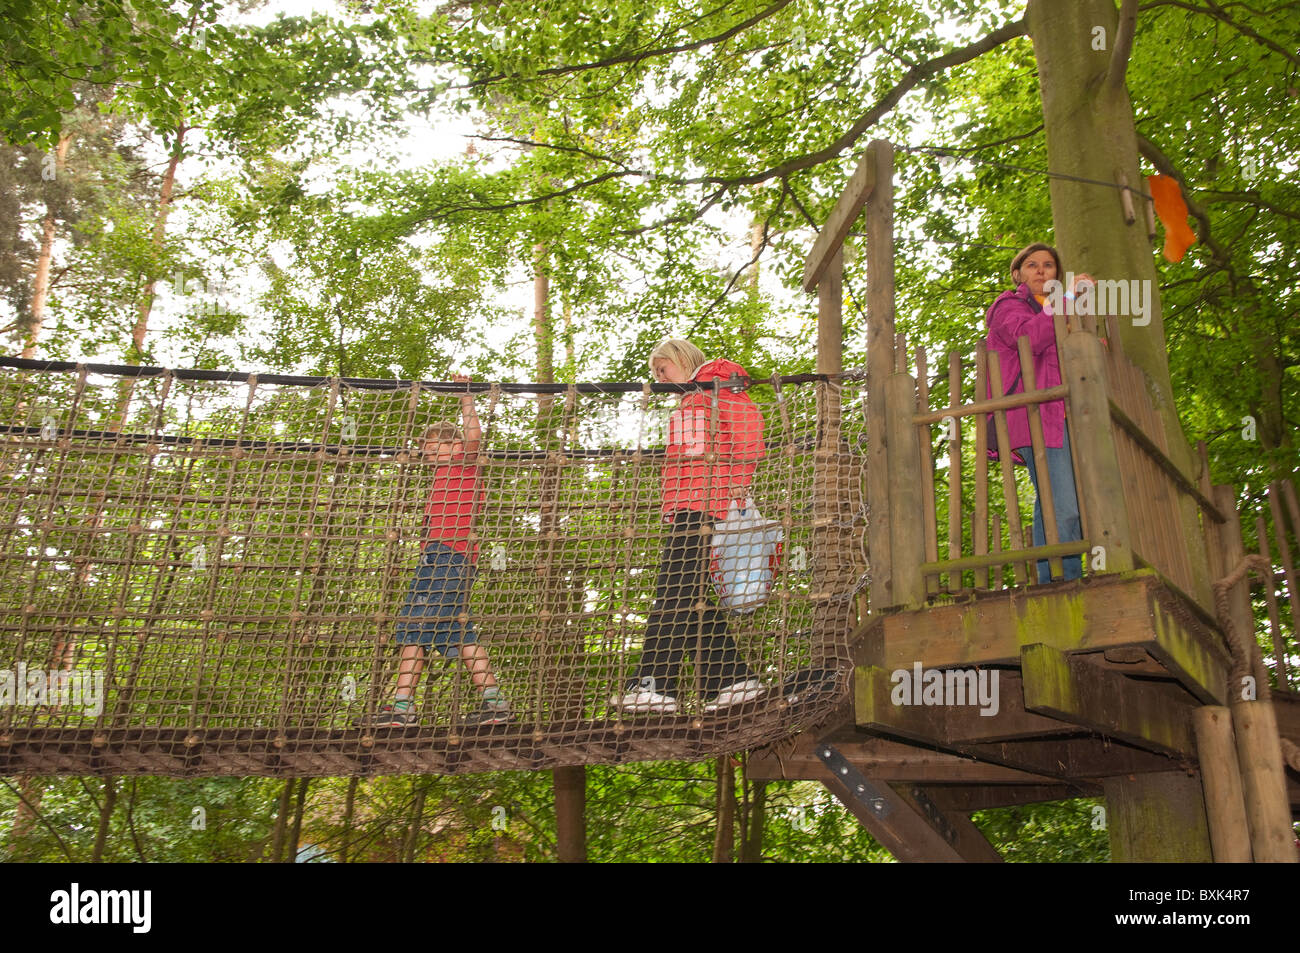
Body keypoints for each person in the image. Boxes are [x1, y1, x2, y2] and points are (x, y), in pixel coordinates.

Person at [610, 339, 767, 714]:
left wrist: (738, 483)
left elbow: (749, 432)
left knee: (672, 594)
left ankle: (654, 685)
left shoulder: (716, 384)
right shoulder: (689, 401)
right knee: (693, 599)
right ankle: (734, 681)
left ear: (682, 359)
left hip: (705, 505)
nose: (659, 378)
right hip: (687, 507)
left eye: (662, 369)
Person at [361, 374, 509, 727]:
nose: (428, 454)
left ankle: (401, 707)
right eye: (425, 450)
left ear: (455, 448)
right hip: (446, 560)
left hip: (445, 560)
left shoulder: (463, 467)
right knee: (458, 634)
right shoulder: (444, 474)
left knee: (413, 627)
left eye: (434, 448)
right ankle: (495, 704)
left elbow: (474, 436)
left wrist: (466, 397)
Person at [985, 243, 1089, 584]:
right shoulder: (1008, 306)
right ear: (1018, 274)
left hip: (1065, 416)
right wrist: (1069, 300)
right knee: (1065, 508)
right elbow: (1028, 338)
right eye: (1032, 265)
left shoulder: (1062, 310)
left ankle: (1053, 578)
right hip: (1033, 417)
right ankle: (1062, 582)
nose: (1041, 270)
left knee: (1059, 502)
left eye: (1048, 265)